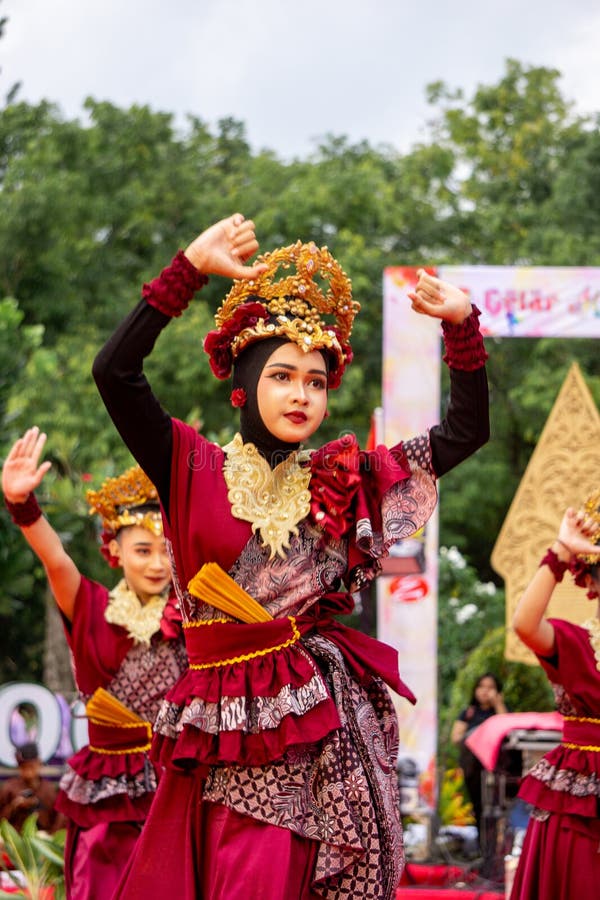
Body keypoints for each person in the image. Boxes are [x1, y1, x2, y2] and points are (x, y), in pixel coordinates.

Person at [92, 213, 490, 900]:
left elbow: (464, 431)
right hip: (210, 733)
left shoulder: (345, 482)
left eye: (316, 379)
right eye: (283, 375)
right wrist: (186, 269)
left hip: (310, 732)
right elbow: (115, 371)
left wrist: (462, 328)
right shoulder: (189, 464)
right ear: (244, 386)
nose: (302, 394)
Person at [1, 429, 188, 900]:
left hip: (179, 784)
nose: (158, 563)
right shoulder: (90, 607)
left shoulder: (195, 618)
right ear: (115, 551)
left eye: (167, 550)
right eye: (143, 550)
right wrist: (22, 504)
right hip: (108, 796)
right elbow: (56, 560)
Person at [509, 495, 600, 899]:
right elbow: (526, 624)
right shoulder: (578, 643)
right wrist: (561, 550)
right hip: (578, 804)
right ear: (593, 583)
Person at [451, 673, 508, 841]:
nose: (485, 691)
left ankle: (497, 846)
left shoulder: (500, 712)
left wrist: (498, 704)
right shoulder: (468, 713)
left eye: (490, 687)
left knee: (497, 808)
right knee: (479, 807)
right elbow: (455, 738)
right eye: (481, 686)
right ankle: (483, 847)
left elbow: (506, 727)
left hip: (497, 770)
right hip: (473, 769)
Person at [0, 741, 65, 834]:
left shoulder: (49, 790)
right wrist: (14, 806)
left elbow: (59, 819)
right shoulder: (9, 788)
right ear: (19, 767)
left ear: (39, 763)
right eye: (24, 768)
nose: (28, 773)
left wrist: (38, 806)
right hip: (15, 840)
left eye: (31, 767)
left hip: (44, 839)